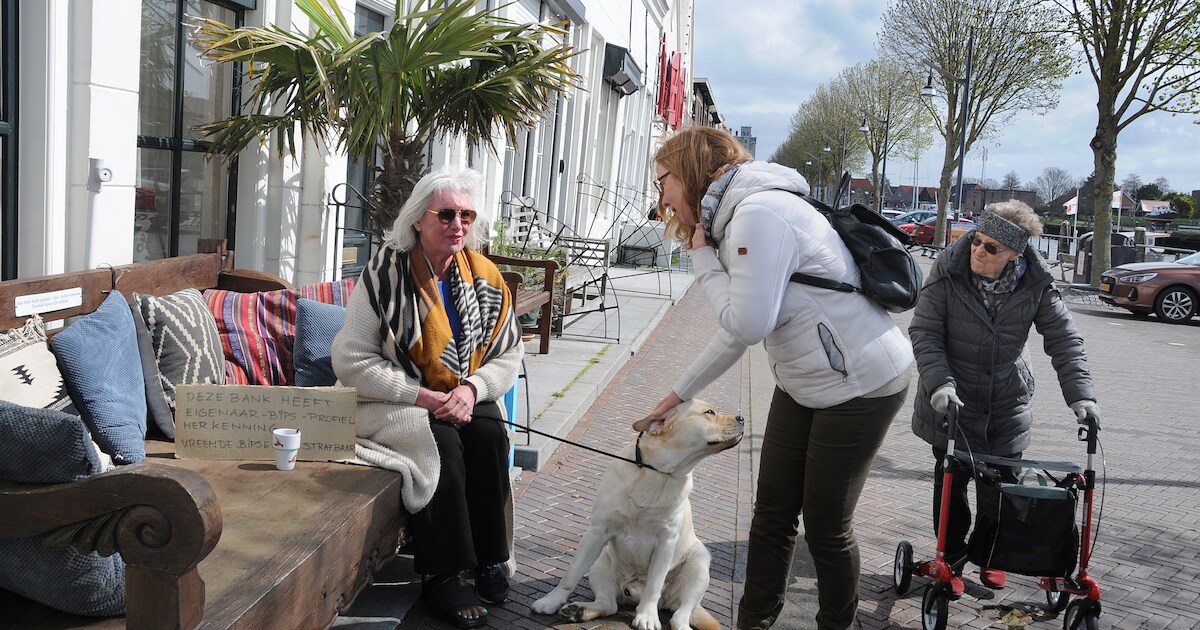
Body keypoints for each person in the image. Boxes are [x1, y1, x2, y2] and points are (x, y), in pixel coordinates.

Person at [646, 126, 914, 630]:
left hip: (862, 383)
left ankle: (837, 624)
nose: (660, 196)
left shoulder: (758, 216)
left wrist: (704, 260)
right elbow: (739, 330)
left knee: (827, 527)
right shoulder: (737, 216)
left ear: (688, 172)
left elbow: (747, 324)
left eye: (663, 181)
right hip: (805, 380)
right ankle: (755, 621)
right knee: (771, 513)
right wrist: (678, 394)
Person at [332, 167, 523, 629]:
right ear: (418, 219)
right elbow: (351, 362)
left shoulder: (485, 275)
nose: (458, 224)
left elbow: (508, 354)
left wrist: (472, 389)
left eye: (466, 214)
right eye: (446, 214)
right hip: (394, 400)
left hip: (459, 395)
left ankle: (489, 558)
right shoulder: (384, 273)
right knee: (443, 446)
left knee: (490, 434)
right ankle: (443, 574)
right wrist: (422, 396)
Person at [908, 200, 1099, 595]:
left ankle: (992, 554)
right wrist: (940, 383)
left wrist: (1082, 397)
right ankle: (953, 557)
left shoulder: (1036, 285)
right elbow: (925, 332)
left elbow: (1064, 340)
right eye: (976, 240)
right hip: (951, 400)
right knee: (951, 485)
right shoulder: (947, 273)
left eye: (992, 247)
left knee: (1001, 487)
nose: (978, 250)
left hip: (1006, 403)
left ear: (1015, 254)